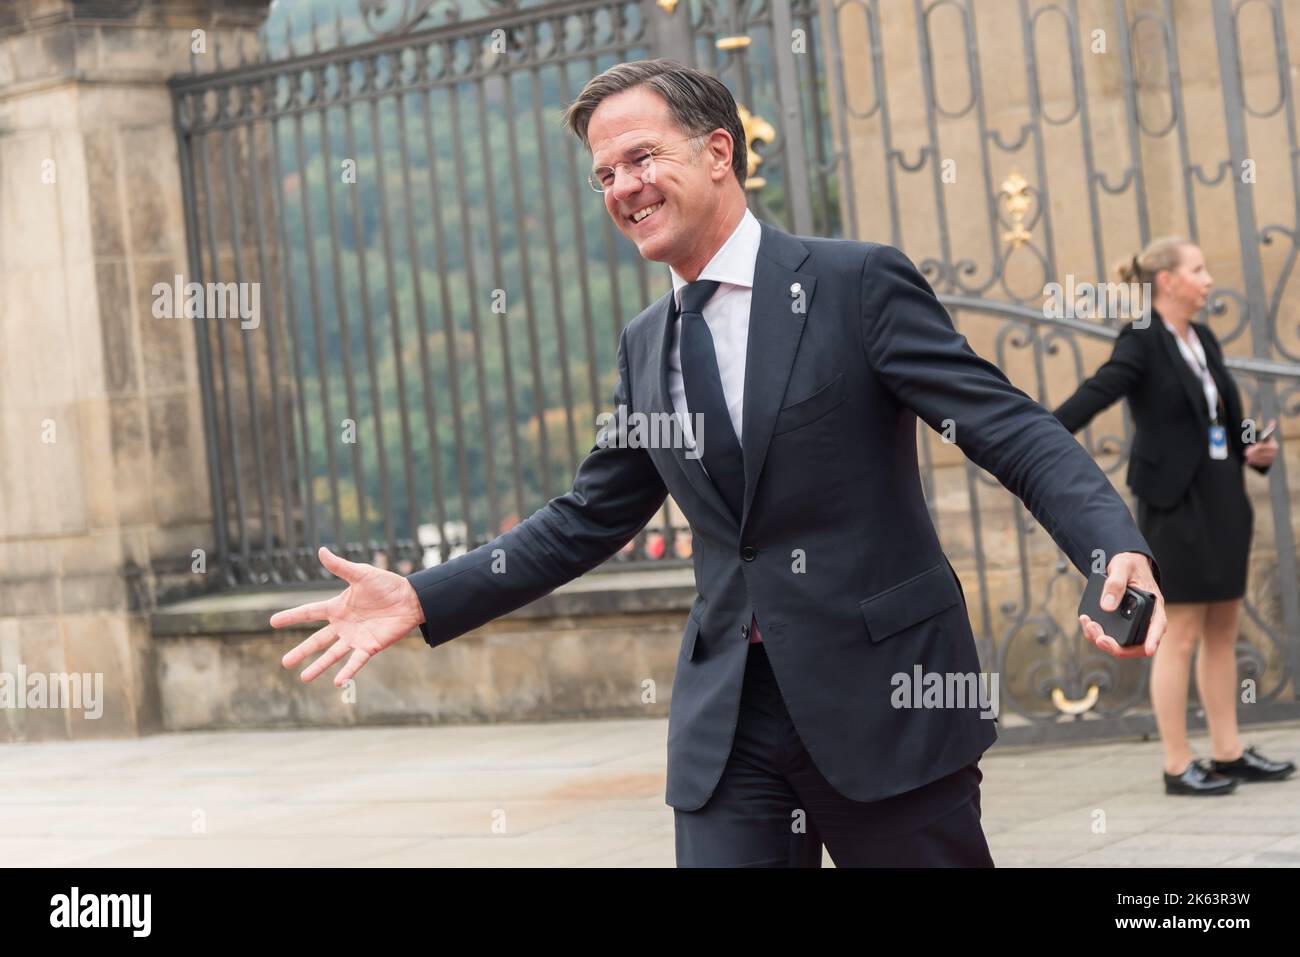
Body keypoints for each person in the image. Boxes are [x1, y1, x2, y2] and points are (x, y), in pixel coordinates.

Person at [271, 59, 1167, 866]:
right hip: (728, 727)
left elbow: (1006, 426)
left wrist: (1107, 543)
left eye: (641, 158)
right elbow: (589, 515)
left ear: (717, 152)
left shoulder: (855, 285)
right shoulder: (644, 345)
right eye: (605, 174)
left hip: (885, 703)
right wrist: (425, 596)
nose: (624, 186)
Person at [1052, 238, 1293, 796]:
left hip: (1222, 499)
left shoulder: (1202, 338)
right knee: (1180, 632)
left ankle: (1228, 752)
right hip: (1174, 506)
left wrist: (1254, 446)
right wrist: (1034, 438)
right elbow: (1098, 391)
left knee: (1222, 631)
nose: (1208, 280)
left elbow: (1223, 419)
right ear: (1167, 281)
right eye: (1199, 270)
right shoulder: (1141, 340)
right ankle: (1177, 763)